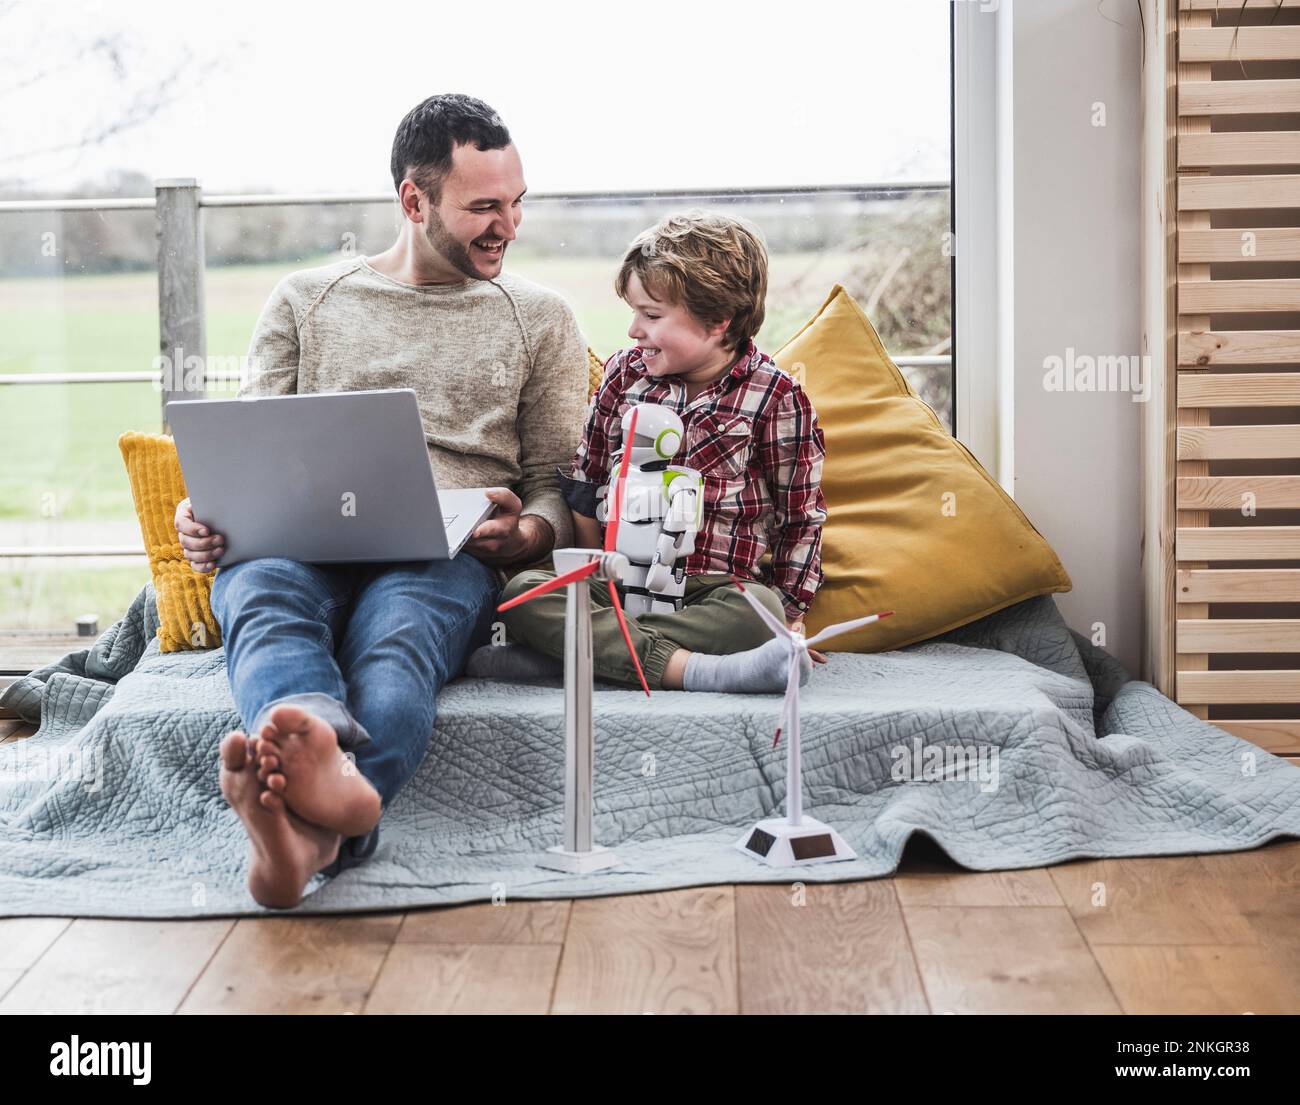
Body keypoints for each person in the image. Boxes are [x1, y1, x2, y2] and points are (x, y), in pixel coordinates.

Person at [173, 93, 589, 908]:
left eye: (516, 203)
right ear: (413, 201)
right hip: (297, 542)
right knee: (262, 595)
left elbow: (552, 478)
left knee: (397, 650)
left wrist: (531, 528)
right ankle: (327, 819)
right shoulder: (305, 299)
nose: (508, 225)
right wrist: (205, 511)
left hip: (444, 551)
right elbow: (250, 450)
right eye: (483, 208)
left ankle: (305, 827)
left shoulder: (542, 318)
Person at [469, 211, 828, 693]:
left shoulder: (777, 396)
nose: (634, 330)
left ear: (718, 322)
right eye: (634, 311)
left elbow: (800, 519)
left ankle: (574, 658)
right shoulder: (623, 376)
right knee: (523, 595)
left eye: (652, 316)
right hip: (618, 580)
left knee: (758, 612)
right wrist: (595, 568)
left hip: (713, 589)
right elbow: (587, 485)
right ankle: (692, 667)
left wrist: (790, 616)